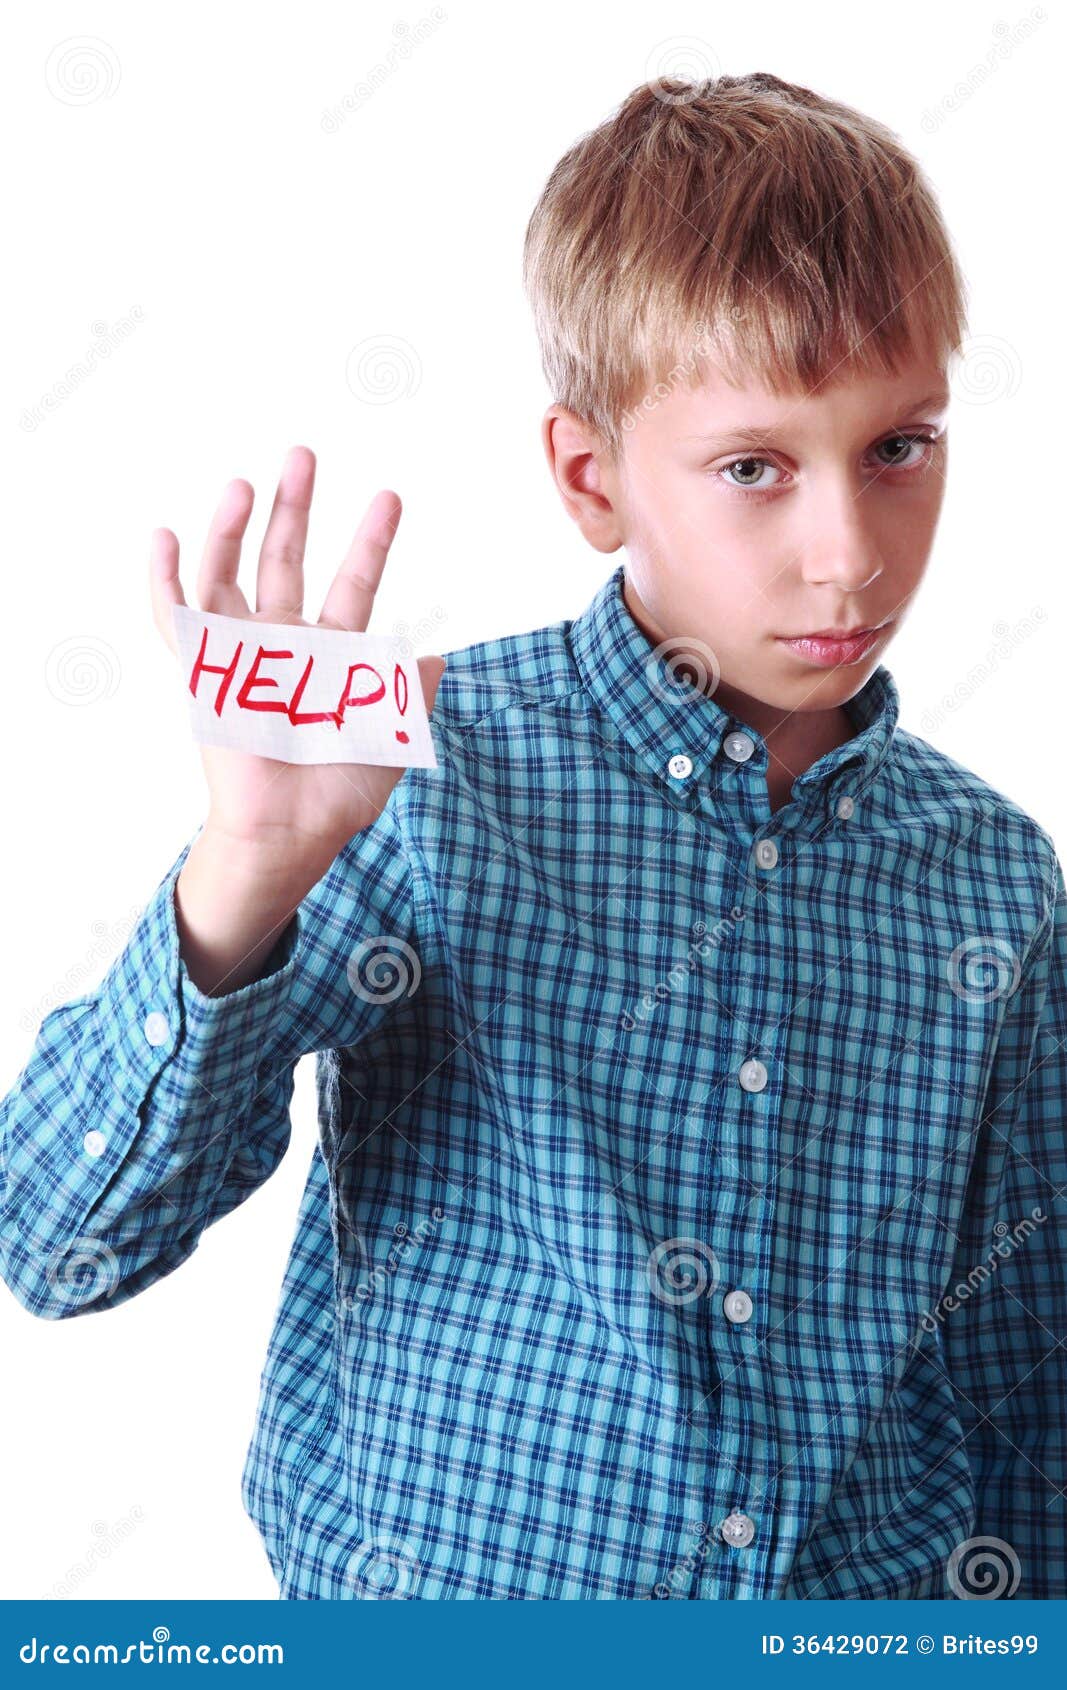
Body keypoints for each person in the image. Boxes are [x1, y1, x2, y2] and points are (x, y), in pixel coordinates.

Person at [2, 71, 1064, 1601]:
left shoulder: (992, 876)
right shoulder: (418, 772)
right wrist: (243, 879)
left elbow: (1031, 1369)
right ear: (591, 477)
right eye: (755, 467)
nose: (850, 551)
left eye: (899, 446)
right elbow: (56, 1244)